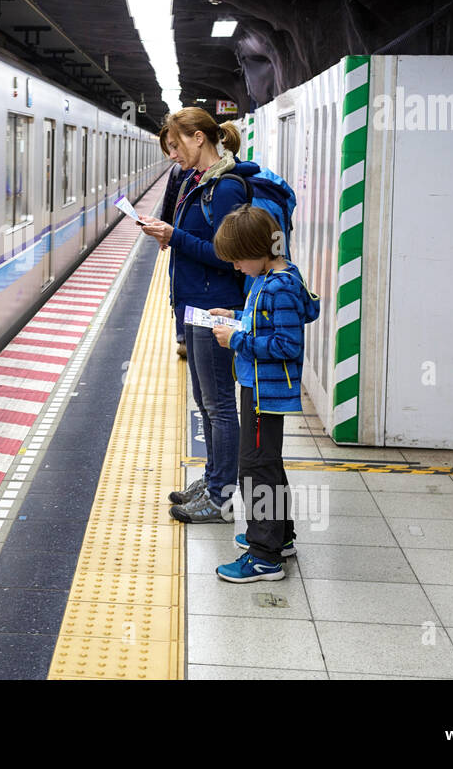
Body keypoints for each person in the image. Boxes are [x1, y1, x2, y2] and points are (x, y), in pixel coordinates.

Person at [139, 107, 259, 523]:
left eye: (175, 145)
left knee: (219, 403)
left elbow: (231, 257)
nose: (173, 155)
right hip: (195, 304)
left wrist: (175, 236)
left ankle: (222, 496)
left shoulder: (224, 189)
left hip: (216, 307)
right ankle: (212, 478)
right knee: (205, 402)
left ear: (198, 138)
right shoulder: (199, 183)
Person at [208, 205, 320, 581]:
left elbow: (288, 344)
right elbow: (267, 321)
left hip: (264, 393)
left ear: (259, 249)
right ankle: (279, 537)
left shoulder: (279, 287)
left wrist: (237, 338)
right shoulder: (276, 278)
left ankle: (263, 556)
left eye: (238, 259)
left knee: (255, 470)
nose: (236, 267)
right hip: (258, 389)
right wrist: (237, 315)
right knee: (267, 464)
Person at [156, 130, 191, 359]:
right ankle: (185, 338)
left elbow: (169, 203)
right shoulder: (184, 170)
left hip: (183, 242)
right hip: (182, 240)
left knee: (180, 287)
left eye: (174, 148)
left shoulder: (179, 172)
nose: (171, 156)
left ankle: (182, 337)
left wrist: (165, 231)